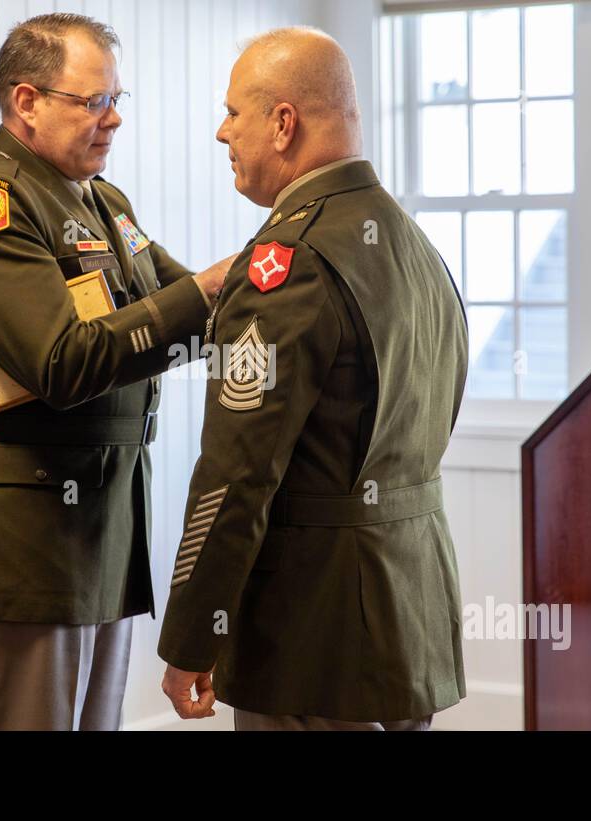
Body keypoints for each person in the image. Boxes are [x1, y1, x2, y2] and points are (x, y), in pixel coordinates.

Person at [0, 12, 232, 730]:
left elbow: (185, 316)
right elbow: (60, 362)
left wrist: (264, 286)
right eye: (94, 102)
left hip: (99, 531)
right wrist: (204, 292)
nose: (114, 119)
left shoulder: (101, 201)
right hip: (23, 544)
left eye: (117, 100)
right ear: (25, 102)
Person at [156, 27, 470, 731]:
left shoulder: (287, 264)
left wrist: (190, 638)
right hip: (409, 622)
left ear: (283, 123)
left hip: (313, 640)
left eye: (234, 112)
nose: (221, 132)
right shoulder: (415, 247)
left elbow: (235, 476)